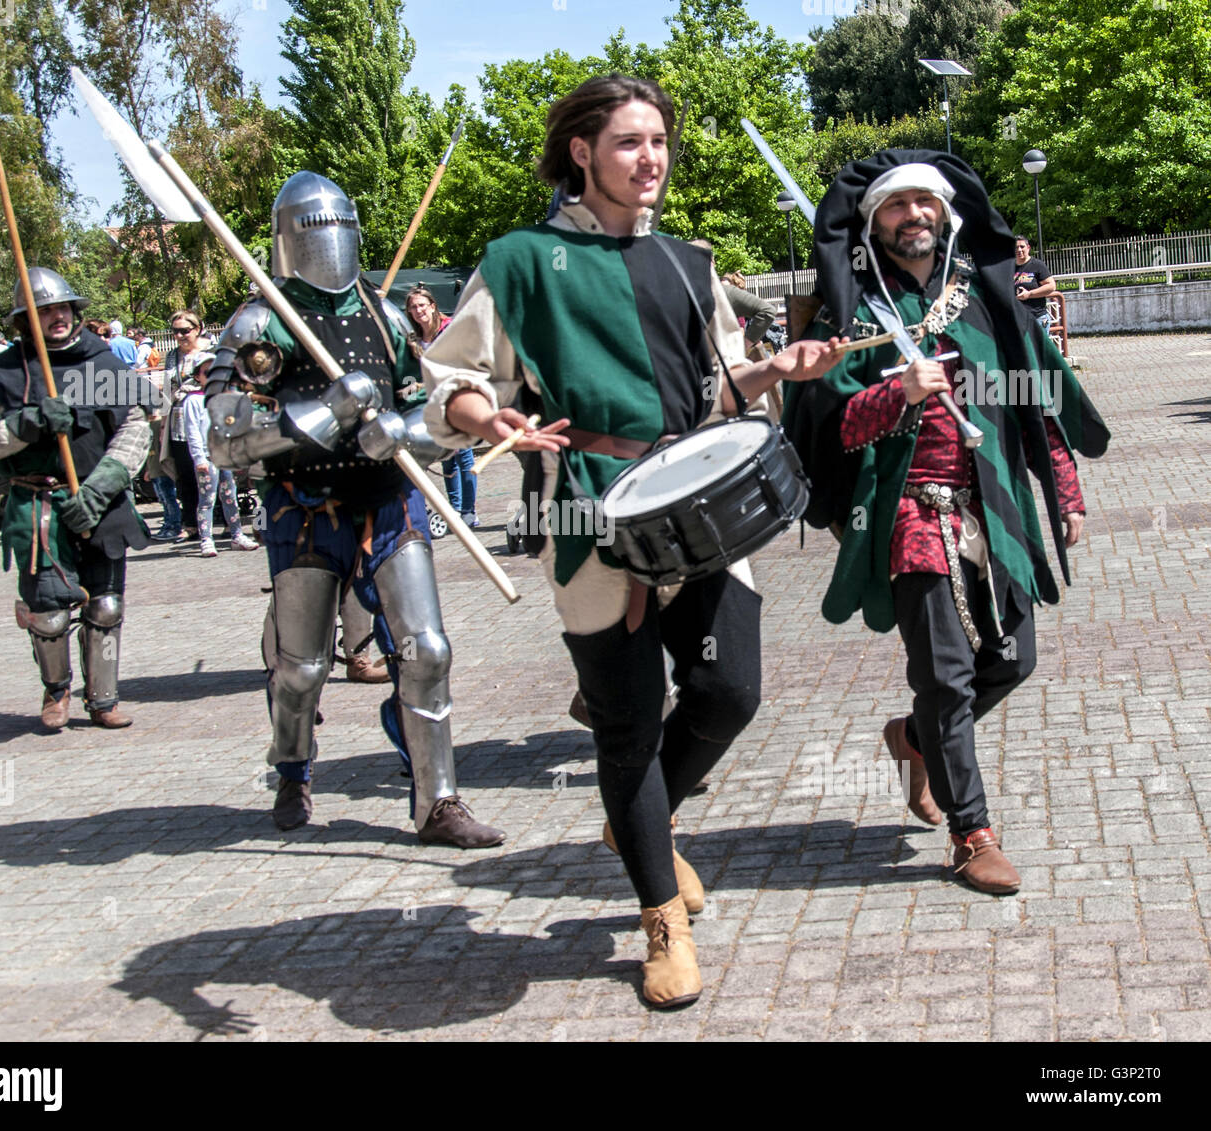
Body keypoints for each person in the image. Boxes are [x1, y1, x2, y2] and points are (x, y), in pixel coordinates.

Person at [421, 75, 843, 1008]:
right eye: (627, 142)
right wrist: (483, 414)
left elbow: (720, 383)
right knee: (624, 721)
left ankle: (635, 817)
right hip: (585, 511)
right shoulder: (522, 261)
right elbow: (449, 377)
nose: (649, 159)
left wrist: (779, 366)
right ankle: (662, 917)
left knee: (732, 689)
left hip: (699, 495)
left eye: (658, 142)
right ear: (582, 151)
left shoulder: (688, 263)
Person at [782, 150, 1109, 895]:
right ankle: (973, 834)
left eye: (925, 203)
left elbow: (1033, 402)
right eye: (897, 207)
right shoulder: (857, 315)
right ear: (875, 225)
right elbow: (833, 431)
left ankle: (914, 738)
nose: (914, 216)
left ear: (945, 215)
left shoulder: (985, 300)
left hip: (993, 507)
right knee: (948, 676)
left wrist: (1065, 490)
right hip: (908, 511)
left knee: (1015, 659)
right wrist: (895, 394)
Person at [204, 170, 505, 849]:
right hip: (304, 505)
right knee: (302, 666)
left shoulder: (387, 314)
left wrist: (403, 432)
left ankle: (438, 800)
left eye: (336, 224)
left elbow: (434, 414)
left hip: (388, 501)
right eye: (314, 227)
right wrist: (323, 412)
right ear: (288, 237)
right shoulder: (259, 323)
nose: (328, 239)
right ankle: (292, 768)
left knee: (426, 649)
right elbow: (225, 440)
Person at [0, 267, 153, 729]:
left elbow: (136, 425)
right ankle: (57, 692)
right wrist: (24, 425)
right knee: (47, 614)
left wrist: (104, 484)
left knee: (106, 606)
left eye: (63, 308)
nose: (57, 317)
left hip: (99, 502)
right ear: (27, 320)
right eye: (45, 311)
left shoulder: (100, 362)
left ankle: (103, 700)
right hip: (38, 508)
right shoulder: (5, 370)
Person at [405, 285, 478, 526]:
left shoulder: (449, 329)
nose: (418, 311)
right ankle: (455, 510)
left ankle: (468, 511)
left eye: (422, 305)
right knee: (446, 457)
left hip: (456, 399)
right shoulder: (414, 339)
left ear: (433, 306)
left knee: (463, 457)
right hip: (433, 404)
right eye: (413, 307)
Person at [177, 351, 259, 557]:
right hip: (207, 456)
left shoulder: (224, 398)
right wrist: (198, 458)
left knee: (230, 495)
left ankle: (237, 534)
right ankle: (206, 538)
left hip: (224, 455)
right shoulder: (193, 401)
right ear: (198, 376)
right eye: (206, 372)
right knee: (207, 498)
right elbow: (192, 431)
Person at [161, 311, 207, 541]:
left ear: (197, 329)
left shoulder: (209, 353)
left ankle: (230, 522)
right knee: (186, 475)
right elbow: (167, 389)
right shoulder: (171, 357)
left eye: (184, 331)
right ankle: (191, 524)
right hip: (178, 422)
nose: (179, 336)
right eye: (175, 331)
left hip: (204, 420)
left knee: (214, 473)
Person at [1013, 235, 1056, 332]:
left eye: (1022, 246)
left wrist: (1029, 294)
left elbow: (1051, 286)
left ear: (1028, 248)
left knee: (1037, 347)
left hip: (1037, 318)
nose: (1019, 250)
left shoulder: (1037, 265)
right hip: (1017, 319)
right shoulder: (1009, 267)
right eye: (1016, 247)